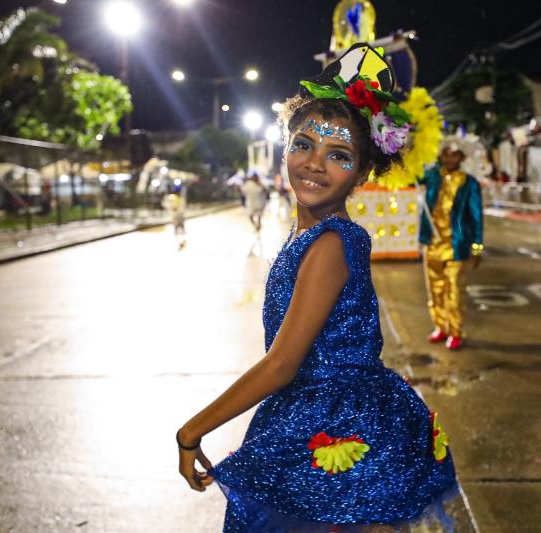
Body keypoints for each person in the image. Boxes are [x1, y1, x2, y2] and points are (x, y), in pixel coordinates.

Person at [176, 42, 458, 532]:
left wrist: (191, 431)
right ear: (285, 147)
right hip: (309, 414)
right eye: (304, 144)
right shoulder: (307, 233)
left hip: (330, 427)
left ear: (363, 172)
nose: (313, 163)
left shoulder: (331, 244)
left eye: (339, 154)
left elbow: (283, 363)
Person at [419, 132, 484, 351]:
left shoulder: (470, 184)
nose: (449, 158)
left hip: (457, 244)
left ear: (462, 157)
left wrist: (477, 246)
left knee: (454, 291)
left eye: (454, 155)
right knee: (435, 289)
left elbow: (476, 216)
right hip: (433, 243)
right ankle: (440, 326)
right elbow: (413, 175)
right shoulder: (432, 176)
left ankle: (455, 330)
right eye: (446, 154)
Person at [162, 183, 187, 250]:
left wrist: (180, 210)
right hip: (174, 215)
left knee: (181, 227)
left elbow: (183, 206)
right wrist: (172, 208)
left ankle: (182, 241)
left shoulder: (181, 198)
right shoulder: (171, 197)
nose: (178, 192)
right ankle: (177, 241)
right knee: (176, 227)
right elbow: (166, 204)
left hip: (180, 215)